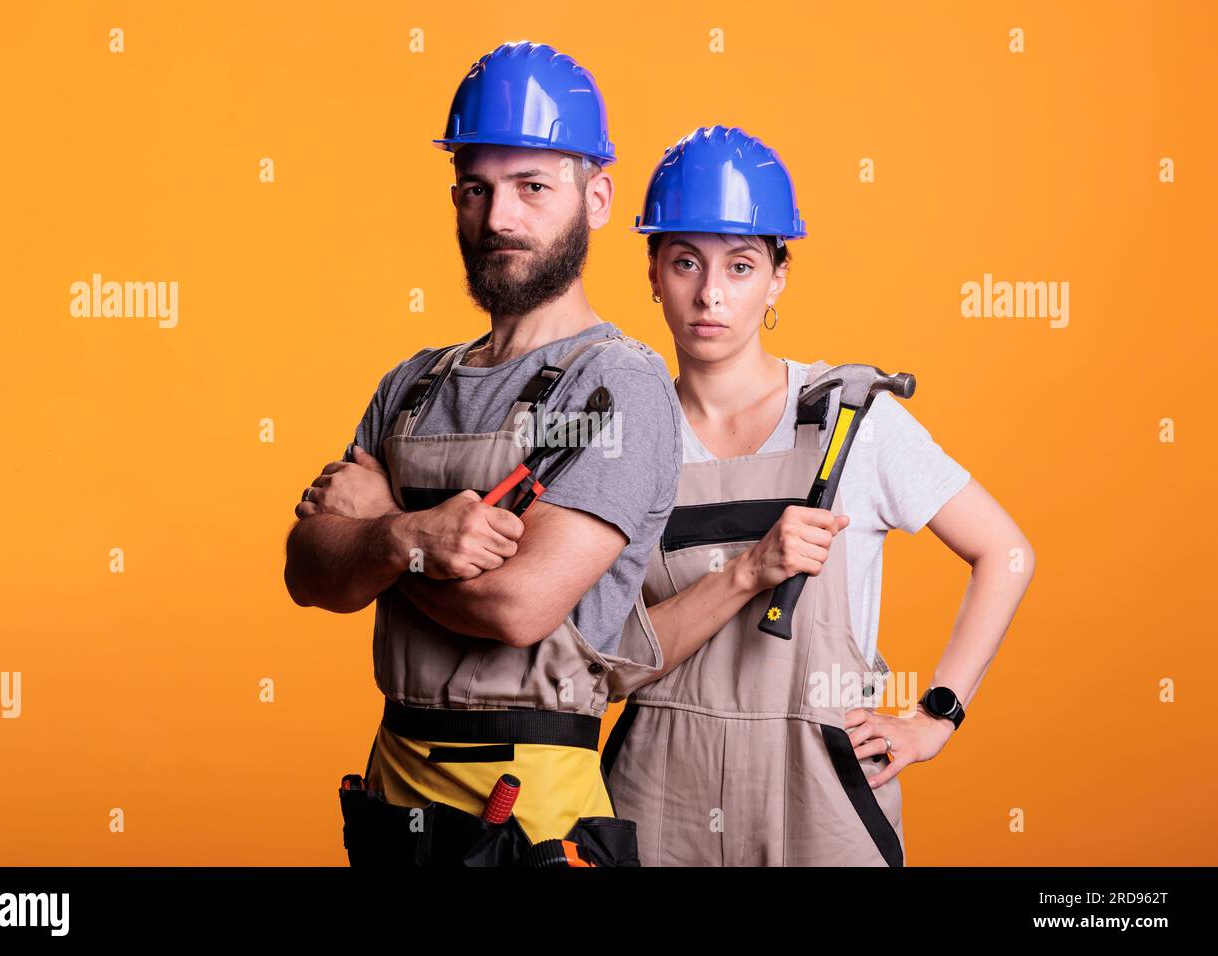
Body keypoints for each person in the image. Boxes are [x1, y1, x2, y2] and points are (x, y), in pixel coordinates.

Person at [283, 41, 682, 867]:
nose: (500, 217)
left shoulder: (611, 388)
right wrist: (409, 542)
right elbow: (308, 573)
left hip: (527, 807)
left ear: (596, 197)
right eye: (478, 189)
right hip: (392, 788)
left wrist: (384, 529)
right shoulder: (413, 385)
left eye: (533, 187)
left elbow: (518, 608)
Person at [602, 125, 1036, 866]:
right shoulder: (626, 435)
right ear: (651, 272)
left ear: (776, 279)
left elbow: (1006, 551)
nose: (711, 293)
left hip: (821, 791)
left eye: (740, 267)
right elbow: (594, 653)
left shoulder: (854, 420)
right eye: (685, 263)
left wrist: (936, 716)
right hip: (655, 796)